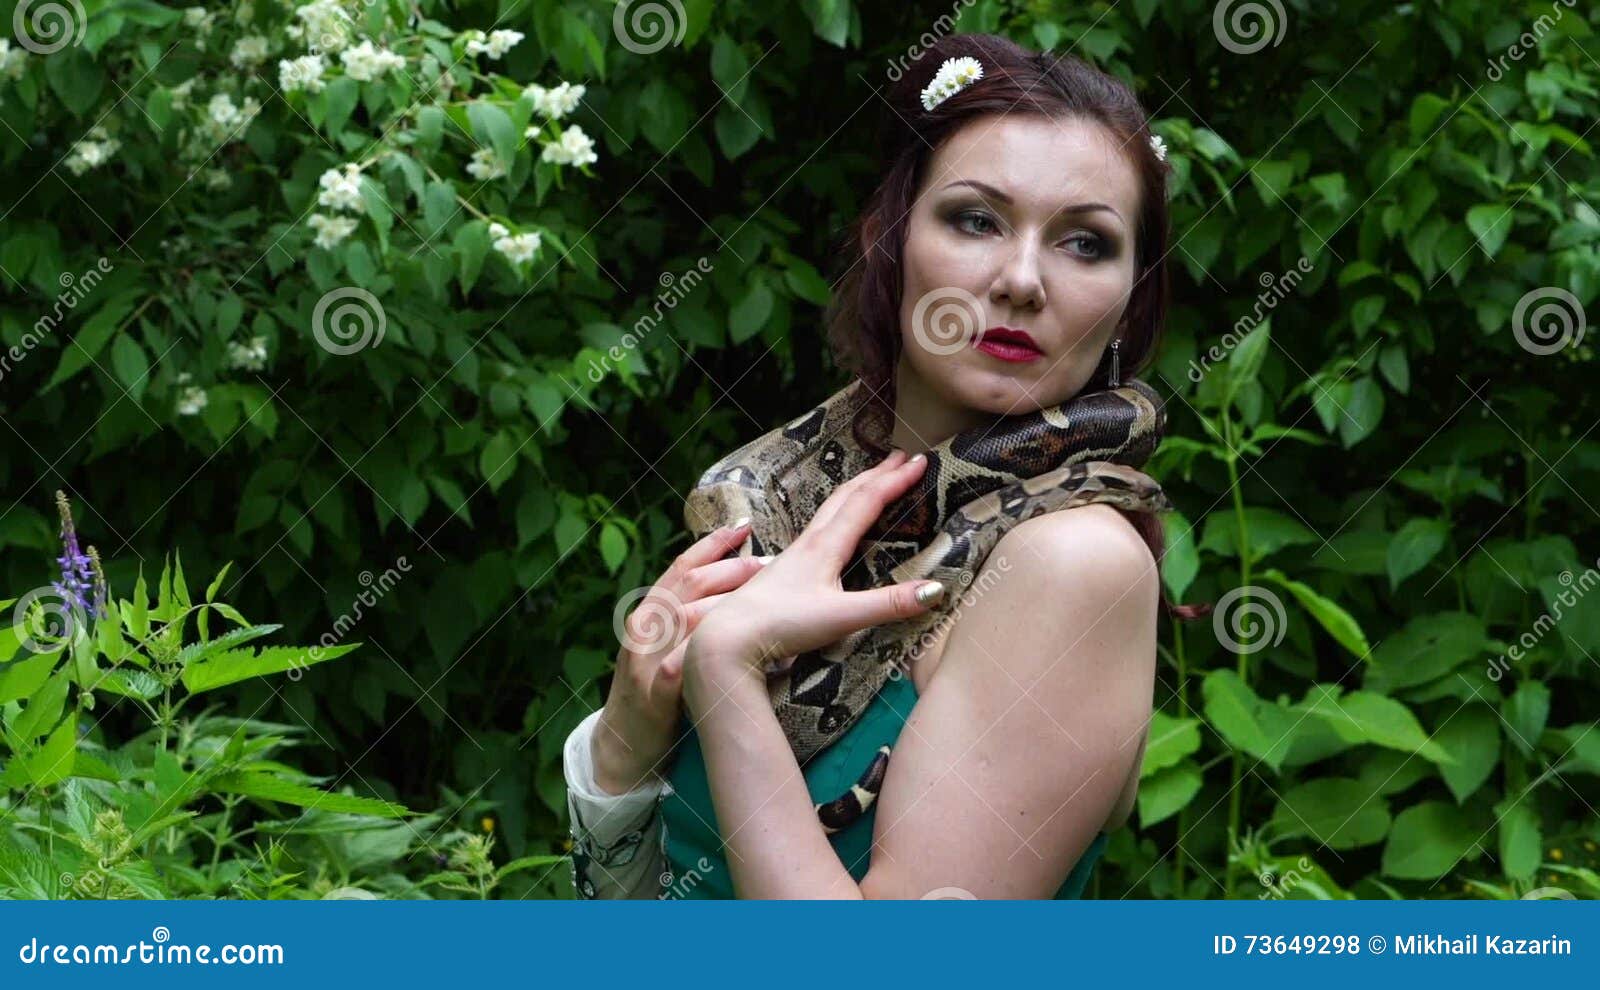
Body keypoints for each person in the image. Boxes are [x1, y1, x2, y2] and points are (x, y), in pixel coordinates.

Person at [562, 32, 1199, 899]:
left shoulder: (1072, 566)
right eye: (976, 219)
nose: (1020, 279)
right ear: (889, 239)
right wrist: (620, 750)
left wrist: (725, 676)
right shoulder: (783, 522)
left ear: (1131, 297)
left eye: (1085, 243)